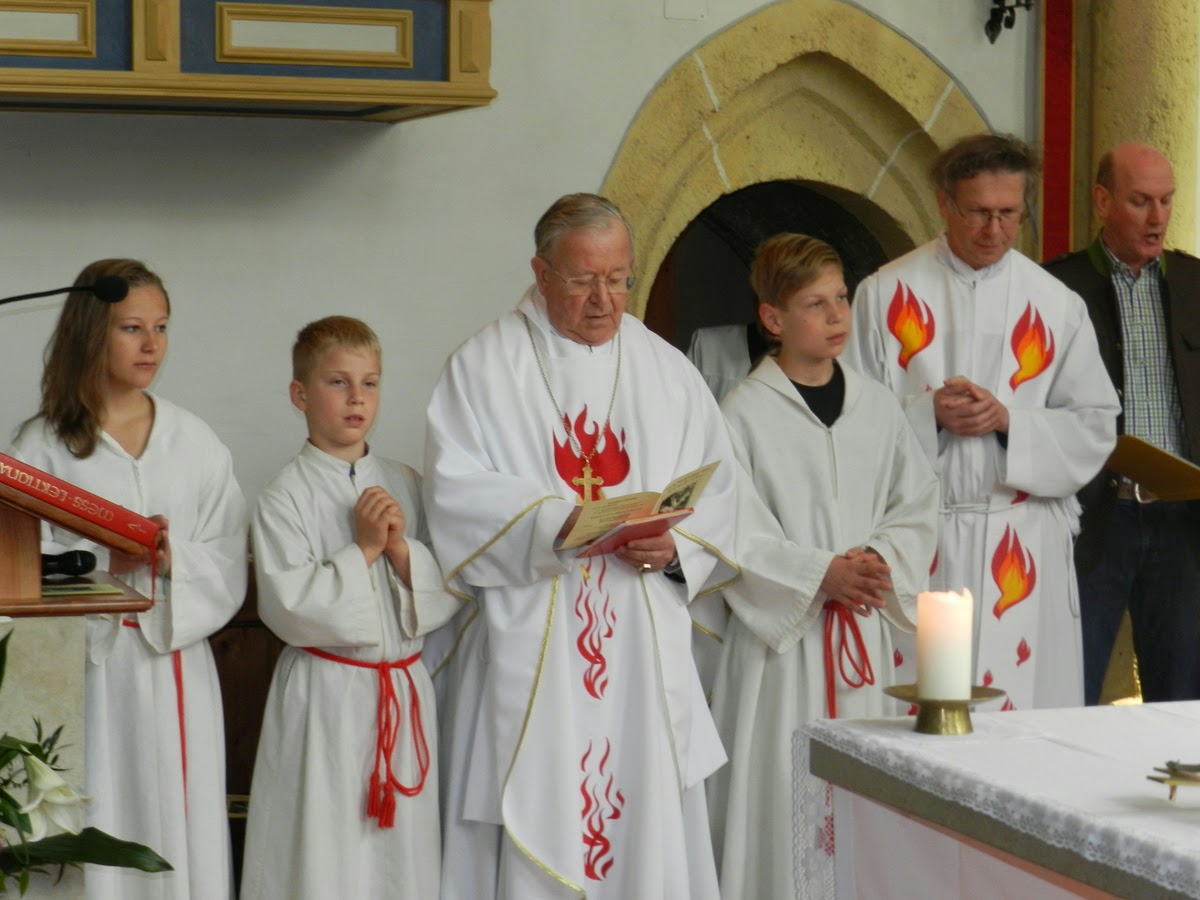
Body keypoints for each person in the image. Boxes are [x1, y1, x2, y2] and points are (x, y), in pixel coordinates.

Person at [424, 193, 738, 900]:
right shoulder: (483, 367)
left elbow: (720, 492)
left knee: (642, 816)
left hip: (638, 644)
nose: (604, 299)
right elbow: (454, 491)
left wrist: (677, 548)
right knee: (542, 802)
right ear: (540, 272)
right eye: (581, 280)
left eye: (619, 278)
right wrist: (557, 526)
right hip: (535, 639)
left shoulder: (667, 372)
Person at [843, 134, 1120, 711]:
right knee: (916, 723)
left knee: (1020, 721)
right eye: (978, 213)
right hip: (923, 537)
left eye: (1008, 214)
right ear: (944, 204)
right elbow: (847, 425)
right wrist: (927, 417)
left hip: (1020, 538)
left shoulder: (1054, 304)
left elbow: (1095, 425)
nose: (993, 230)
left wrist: (1008, 421)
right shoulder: (885, 293)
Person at [707, 234, 938, 900]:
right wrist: (818, 573)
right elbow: (731, 531)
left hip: (858, 632)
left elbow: (918, 502)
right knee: (782, 795)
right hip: (781, 649)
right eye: (815, 303)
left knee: (861, 801)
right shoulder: (741, 414)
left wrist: (875, 561)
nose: (837, 316)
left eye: (841, 298)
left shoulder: (877, 407)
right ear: (773, 319)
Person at [8, 258, 247, 899]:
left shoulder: (194, 442)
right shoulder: (43, 447)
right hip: (88, 671)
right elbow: (19, 564)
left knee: (179, 825)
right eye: (131, 328)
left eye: (161, 327)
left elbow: (226, 555)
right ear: (92, 334)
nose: (151, 345)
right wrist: (102, 570)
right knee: (100, 816)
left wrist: (176, 560)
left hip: (174, 665)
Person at [240, 316, 463, 899]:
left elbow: (449, 592)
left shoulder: (406, 483)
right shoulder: (282, 497)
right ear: (301, 394)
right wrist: (364, 550)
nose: (357, 397)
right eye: (338, 382)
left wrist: (399, 550)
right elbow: (290, 608)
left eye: (370, 383)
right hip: (327, 697)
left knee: (403, 860)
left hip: (401, 689)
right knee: (326, 851)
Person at [1044, 143, 1200, 704]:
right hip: (1094, 517)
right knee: (1071, 685)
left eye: (1166, 201)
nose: (1157, 217)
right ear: (1103, 200)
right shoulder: (1055, 288)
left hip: (1183, 522)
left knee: (1183, 696)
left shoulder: (1194, 283)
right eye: (1140, 202)